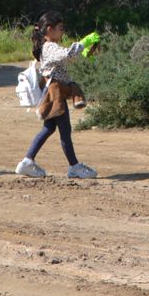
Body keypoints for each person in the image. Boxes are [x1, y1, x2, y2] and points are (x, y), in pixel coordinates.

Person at [14, 12, 97, 179]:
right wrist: (83, 43)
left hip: (53, 92)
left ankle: (27, 162)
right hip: (55, 93)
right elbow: (68, 55)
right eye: (61, 28)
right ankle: (74, 166)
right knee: (64, 131)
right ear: (49, 30)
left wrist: (84, 49)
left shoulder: (48, 46)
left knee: (49, 128)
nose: (63, 32)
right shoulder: (50, 47)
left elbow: (68, 58)